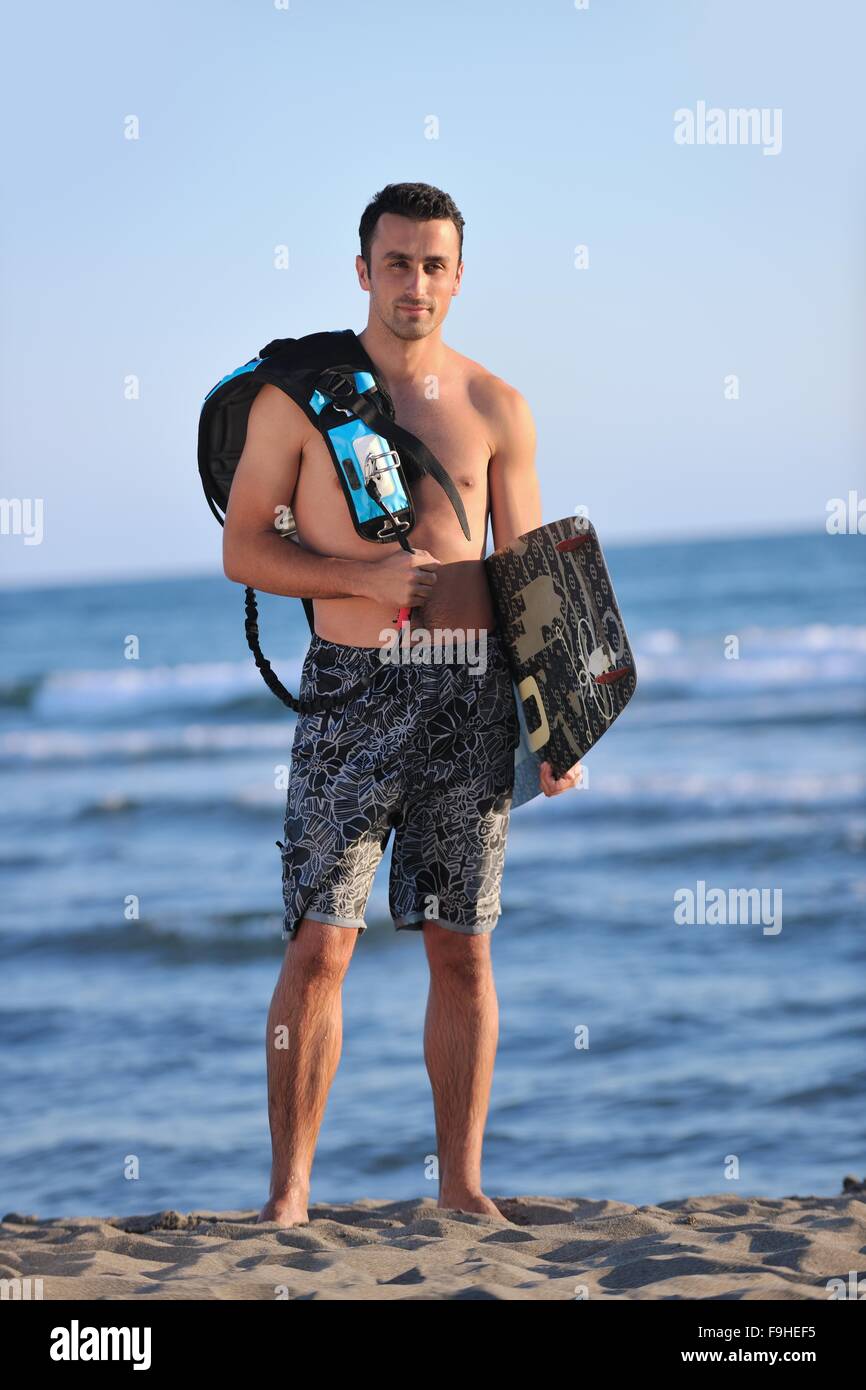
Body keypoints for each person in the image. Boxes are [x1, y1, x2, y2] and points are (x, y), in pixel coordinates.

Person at [222, 182, 583, 1227]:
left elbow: (524, 570)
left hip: (469, 697)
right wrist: (359, 583)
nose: (413, 282)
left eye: (433, 264)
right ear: (361, 270)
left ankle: (461, 1188)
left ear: (456, 276)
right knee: (319, 940)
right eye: (395, 261)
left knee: (460, 946)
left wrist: (555, 720)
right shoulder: (299, 398)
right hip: (348, 696)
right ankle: (289, 1193)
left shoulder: (494, 407)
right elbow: (245, 544)